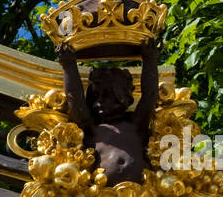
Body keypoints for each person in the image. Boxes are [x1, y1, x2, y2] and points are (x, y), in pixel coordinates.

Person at [57, 39, 158, 185]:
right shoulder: (92, 129)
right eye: (95, 97)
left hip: (142, 194)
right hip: (101, 195)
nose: (98, 103)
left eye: (107, 96)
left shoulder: (136, 125)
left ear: (123, 97)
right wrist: (68, 64)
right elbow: (75, 100)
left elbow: (150, 96)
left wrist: (150, 58)